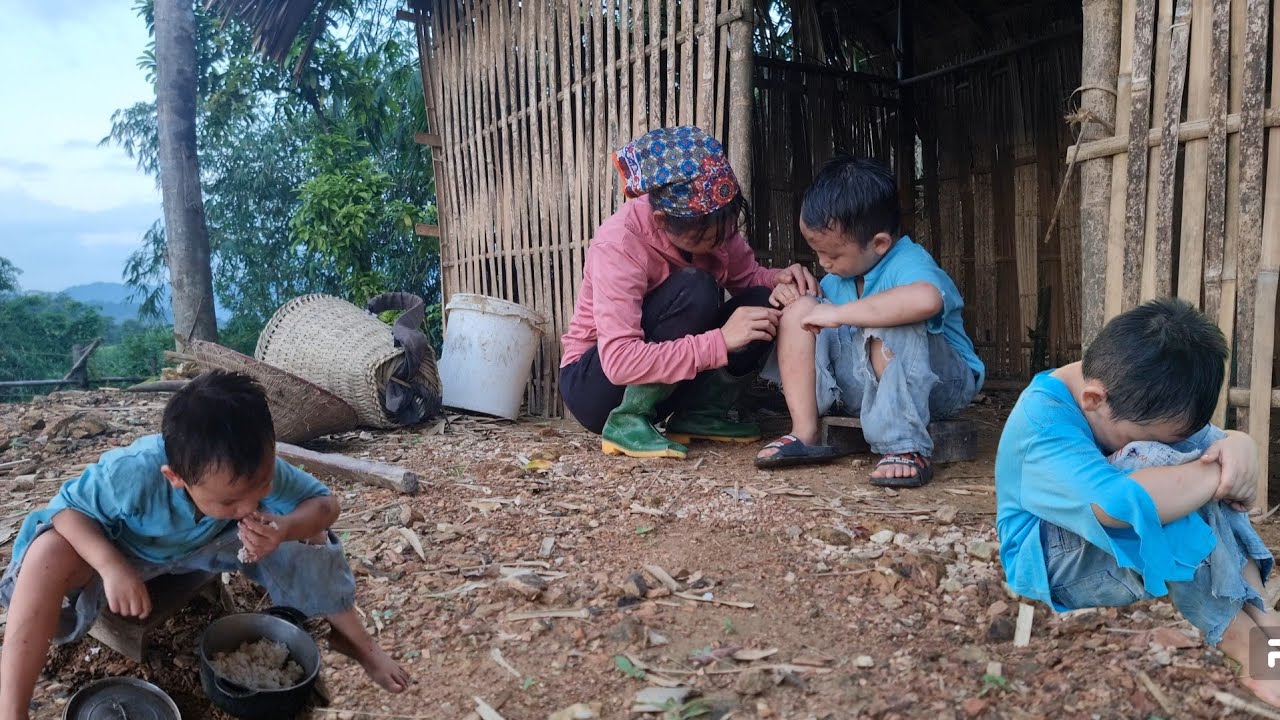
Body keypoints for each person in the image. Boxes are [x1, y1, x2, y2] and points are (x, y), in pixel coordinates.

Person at [0, 371, 410, 719]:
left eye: (262, 487)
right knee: (47, 555)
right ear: (176, 477)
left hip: (205, 547)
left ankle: (359, 643)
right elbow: (65, 512)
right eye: (230, 500)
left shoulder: (249, 465)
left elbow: (326, 505)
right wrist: (111, 566)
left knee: (313, 534)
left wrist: (284, 527)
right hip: (126, 549)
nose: (250, 505)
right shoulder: (134, 472)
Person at [995, 298, 1279, 706]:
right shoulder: (1043, 423)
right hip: (1048, 561)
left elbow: (1208, 444)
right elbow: (1117, 506)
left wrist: (1239, 444)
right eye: (1139, 433)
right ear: (1094, 399)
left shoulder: (1127, 391)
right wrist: (1219, 472)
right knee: (1162, 473)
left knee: (1189, 470)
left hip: (1096, 538)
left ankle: (1270, 628)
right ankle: (1256, 657)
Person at [560, 125, 818, 459]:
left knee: (761, 302)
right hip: (596, 385)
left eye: (725, 233)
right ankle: (628, 420)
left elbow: (747, 277)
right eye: (705, 239)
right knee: (696, 286)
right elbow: (620, 362)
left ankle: (701, 415)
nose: (719, 243)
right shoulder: (620, 244)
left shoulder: (715, 224)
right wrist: (720, 342)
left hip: (669, 376)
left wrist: (777, 280)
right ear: (662, 220)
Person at [755, 155, 984, 487]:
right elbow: (812, 318)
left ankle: (905, 446)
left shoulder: (908, 261)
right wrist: (792, 302)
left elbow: (926, 299)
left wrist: (836, 313)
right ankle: (804, 432)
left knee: (890, 316)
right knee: (799, 311)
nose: (823, 263)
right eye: (817, 252)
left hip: (941, 384)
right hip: (862, 387)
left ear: (879, 244)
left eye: (832, 255)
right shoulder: (840, 277)